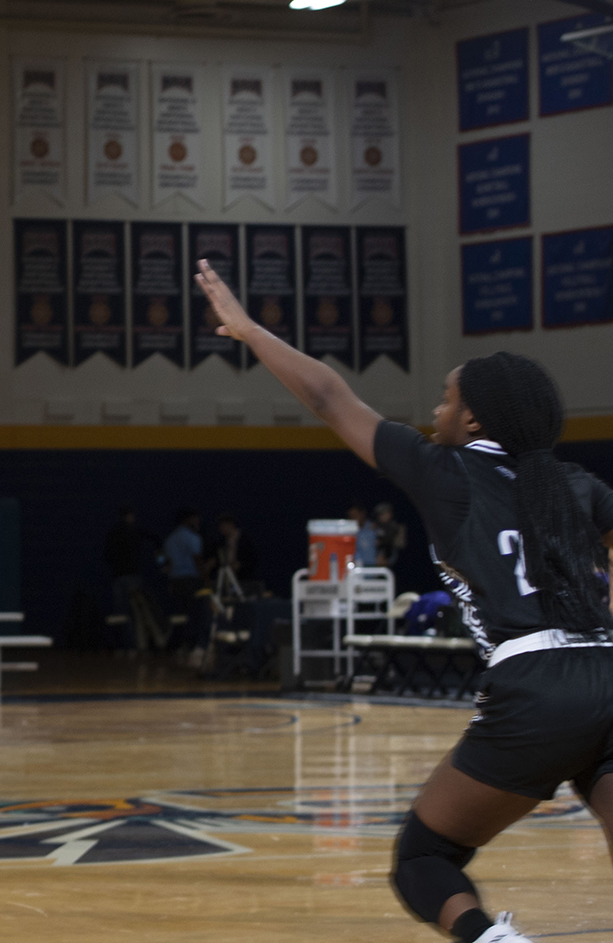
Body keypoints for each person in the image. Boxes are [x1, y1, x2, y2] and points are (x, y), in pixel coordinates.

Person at [198, 255, 613, 943]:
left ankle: (491, 939)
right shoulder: (576, 484)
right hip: (607, 668)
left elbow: (331, 398)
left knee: (424, 856)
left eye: (446, 399)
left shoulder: (443, 471)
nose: (435, 410)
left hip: (536, 686)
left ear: (474, 418)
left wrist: (247, 329)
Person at [104, 505, 163, 652]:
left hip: (118, 576)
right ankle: (144, 643)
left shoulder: (113, 533)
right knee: (139, 611)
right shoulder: (135, 530)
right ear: (130, 516)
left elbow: (107, 555)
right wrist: (160, 558)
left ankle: (129, 645)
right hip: (133, 576)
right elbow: (156, 538)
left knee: (123, 613)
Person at [163, 508, 206, 654]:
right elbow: (197, 560)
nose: (198, 522)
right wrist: (206, 580)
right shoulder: (192, 537)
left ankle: (180, 644)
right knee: (195, 613)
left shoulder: (170, 539)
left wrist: (170, 582)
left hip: (176, 581)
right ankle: (192, 644)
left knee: (181, 614)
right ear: (187, 519)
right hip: (190, 580)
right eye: (195, 519)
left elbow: (167, 563)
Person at [376, 501, 410, 570]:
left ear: (390, 514)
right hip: (379, 557)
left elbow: (391, 541)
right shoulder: (376, 526)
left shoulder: (394, 526)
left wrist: (381, 541)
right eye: (380, 514)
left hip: (392, 557)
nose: (381, 516)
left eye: (384, 513)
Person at [348, 503, 380, 570]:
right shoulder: (348, 532)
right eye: (351, 516)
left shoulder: (374, 528)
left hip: (374, 570)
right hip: (356, 570)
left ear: (362, 513)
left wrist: (385, 557)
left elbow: (389, 545)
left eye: (355, 515)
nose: (353, 519)